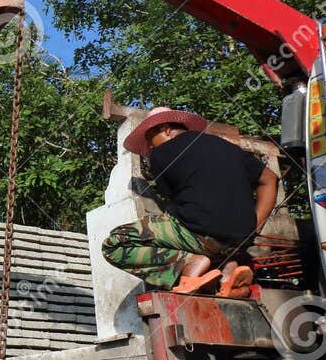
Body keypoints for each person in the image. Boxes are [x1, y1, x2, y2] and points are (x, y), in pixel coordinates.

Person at [102, 106, 279, 296]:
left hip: (199, 234)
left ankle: (188, 263)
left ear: (167, 129)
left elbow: (175, 203)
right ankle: (229, 273)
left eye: (150, 139)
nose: (150, 148)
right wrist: (254, 225)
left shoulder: (161, 153)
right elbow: (270, 179)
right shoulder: (229, 148)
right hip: (240, 238)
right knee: (215, 240)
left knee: (115, 244)